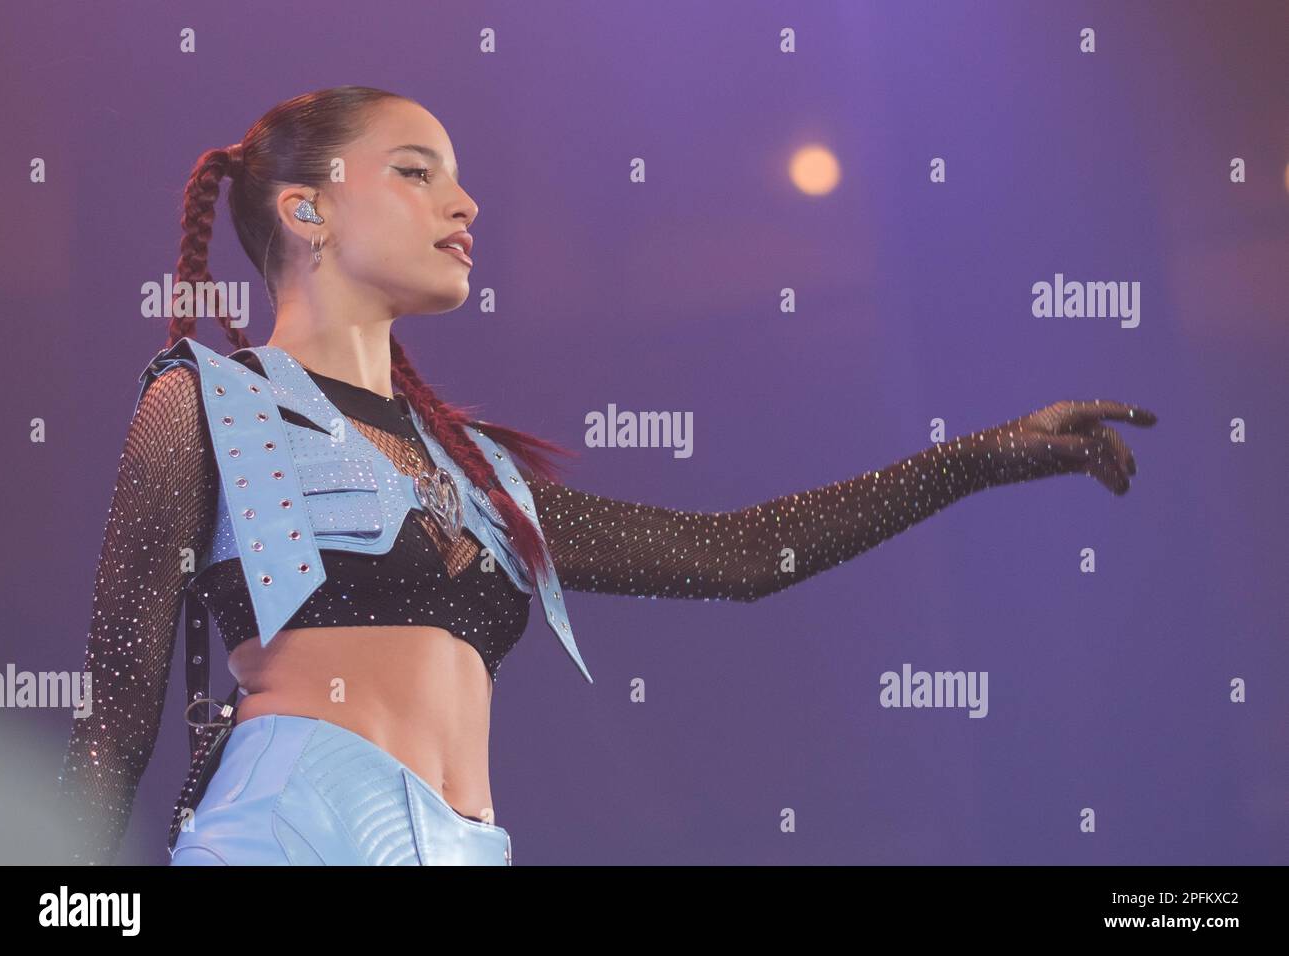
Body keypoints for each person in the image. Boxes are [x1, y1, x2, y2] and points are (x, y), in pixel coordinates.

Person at [56, 85, 1157, 866]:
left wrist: (979, 457)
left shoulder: (475, 471)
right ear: (308, 208)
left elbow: (734, 557)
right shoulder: (204, 401)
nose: (466, 202)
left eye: (460, 175)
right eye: (415, 170)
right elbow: (115, 723)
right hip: (287, 831)